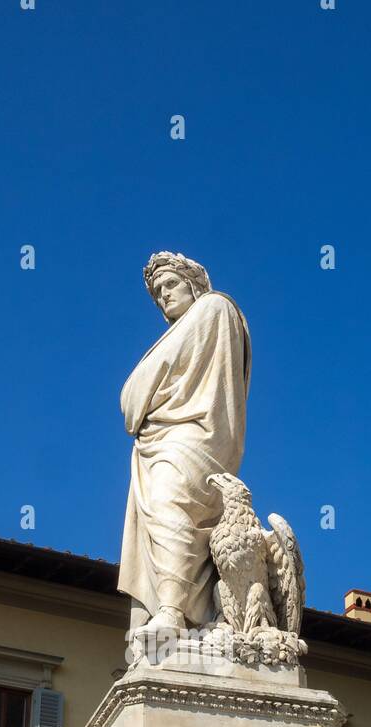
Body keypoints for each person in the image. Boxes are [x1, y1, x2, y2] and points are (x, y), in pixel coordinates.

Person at [119, 252, 251, 634]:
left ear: (194, 284)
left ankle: (173, 613)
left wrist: (141, 394)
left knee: (167, 503)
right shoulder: (183, 329)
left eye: (171, 285)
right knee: (165, 515)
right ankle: (192, 613)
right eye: (158, 293)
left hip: (195, 435)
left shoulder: (215, 308)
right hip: (165, 437)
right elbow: (132, 403)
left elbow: (135, 394)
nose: (164, 296)